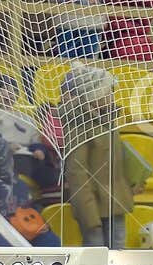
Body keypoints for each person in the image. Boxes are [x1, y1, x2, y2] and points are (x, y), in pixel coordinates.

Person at [60, 66, 141, 248]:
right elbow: (77, 172)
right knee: (96, 257)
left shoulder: (108, 121)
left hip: (115, 203)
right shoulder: (79, 125)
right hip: (94, 207)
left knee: (118, 255)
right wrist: (88, 213)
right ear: (93, 95)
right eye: (108, 92)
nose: (112, 96)